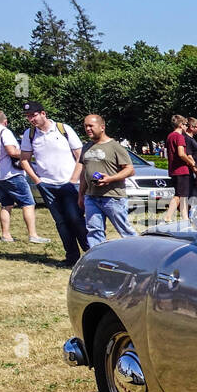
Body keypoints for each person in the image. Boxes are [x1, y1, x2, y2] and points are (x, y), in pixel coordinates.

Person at [18, 100, 88, 267]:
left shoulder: (63, 129)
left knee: (75, 218)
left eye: (33, 115)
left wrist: (73, 180)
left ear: (43, 113)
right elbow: (24, 160)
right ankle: (71, 257)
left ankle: (90, 253)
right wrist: (37, 181)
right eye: (28, 116)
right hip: (47, 185)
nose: (31, 119)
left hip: (69, 183)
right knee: (61, 222)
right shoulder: (30, 134)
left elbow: (80, 156)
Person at [0, 109, 42, 244]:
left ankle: (6, 235)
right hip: (11, 173)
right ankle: (33, 235)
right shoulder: (4, 132)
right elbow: (12, 151)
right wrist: (27, 153)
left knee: (6, 204)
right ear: (5, 122)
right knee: (28, 203)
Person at [78, 114, 137, 244]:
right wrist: (81, 194)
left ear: (102, 127)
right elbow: (84, 172)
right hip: (91, 197)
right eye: (85, 126)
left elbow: (130, 170)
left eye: (91, 126)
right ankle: (97, 259)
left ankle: (139, 254)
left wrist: (110, 179)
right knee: (94, 231)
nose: (88, 129)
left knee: (125, 231)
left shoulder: (115, 146)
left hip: (112, 198)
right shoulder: (86, 147)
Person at [162, 114, 197, 222]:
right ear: (180, 125)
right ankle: (168, 216)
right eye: (185, 125)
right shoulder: (179, 137)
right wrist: (191, 163)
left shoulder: (170, 136)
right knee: (179, 195)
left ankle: (185, 218)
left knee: (182, 196)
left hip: (173, 170)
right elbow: (181, 154)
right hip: (182, 170)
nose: (186, 127)